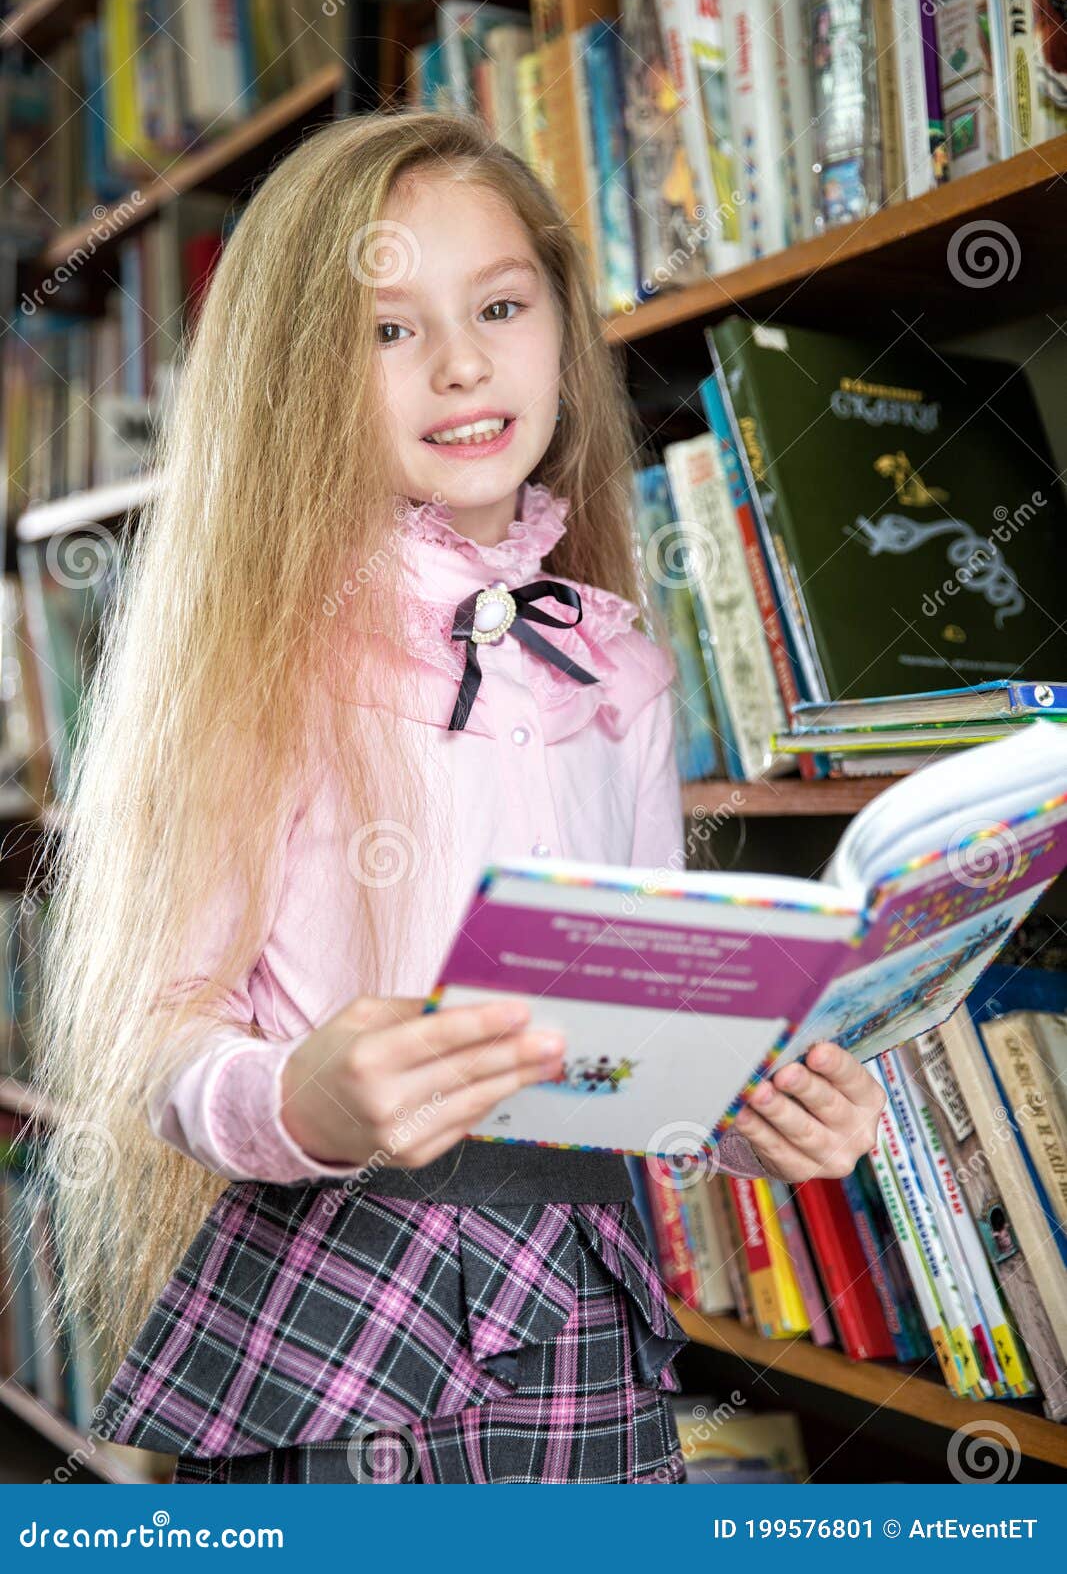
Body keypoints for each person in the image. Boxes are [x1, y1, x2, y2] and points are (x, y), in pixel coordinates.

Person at [34, 110, 885, 1485]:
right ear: (297, 371)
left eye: (499, 302)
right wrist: (298, 1097)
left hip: (590, 1297)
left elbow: (629, 1026)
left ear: (558, 320)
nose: (462, 362)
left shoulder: (623, 665)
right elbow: (149, 1033)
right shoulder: (265, 651)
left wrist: (747, 1103)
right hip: (352, 1323)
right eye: (388, 329)